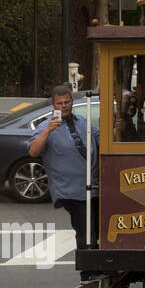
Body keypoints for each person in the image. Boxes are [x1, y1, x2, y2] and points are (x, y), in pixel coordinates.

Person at [27, 85, 99, 275]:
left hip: (94, 186)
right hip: (71, 190)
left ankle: (97, 265)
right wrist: (48, 130)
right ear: (53, 105)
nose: (64, 106)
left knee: (97, 229)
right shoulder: (45, 127)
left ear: (72, 102)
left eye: (67, 102)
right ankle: (88, 272)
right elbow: (33, 151)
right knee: (85, 230)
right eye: (59, 103)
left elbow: (102, 142)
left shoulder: (84, 122)